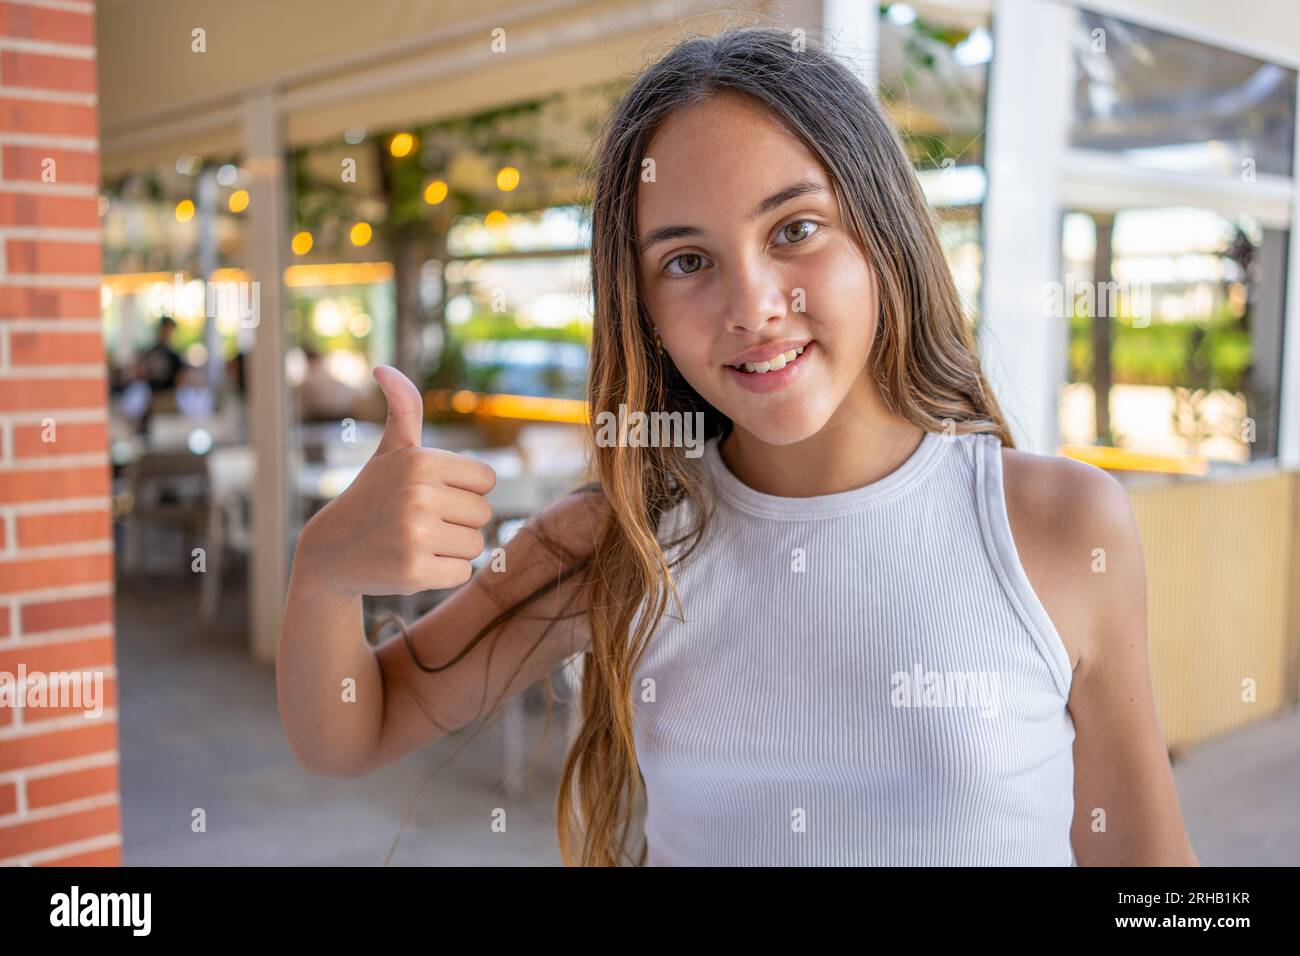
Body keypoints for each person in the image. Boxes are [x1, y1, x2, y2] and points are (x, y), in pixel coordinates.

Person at [276, 28, 1198, 867]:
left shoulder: (1060, 525)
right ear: (643, 307)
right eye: (687, 259)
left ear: (882, 234)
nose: (751, 306)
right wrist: (323, 570)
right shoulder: (622, 543)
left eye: (794, 229)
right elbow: (353, 731)